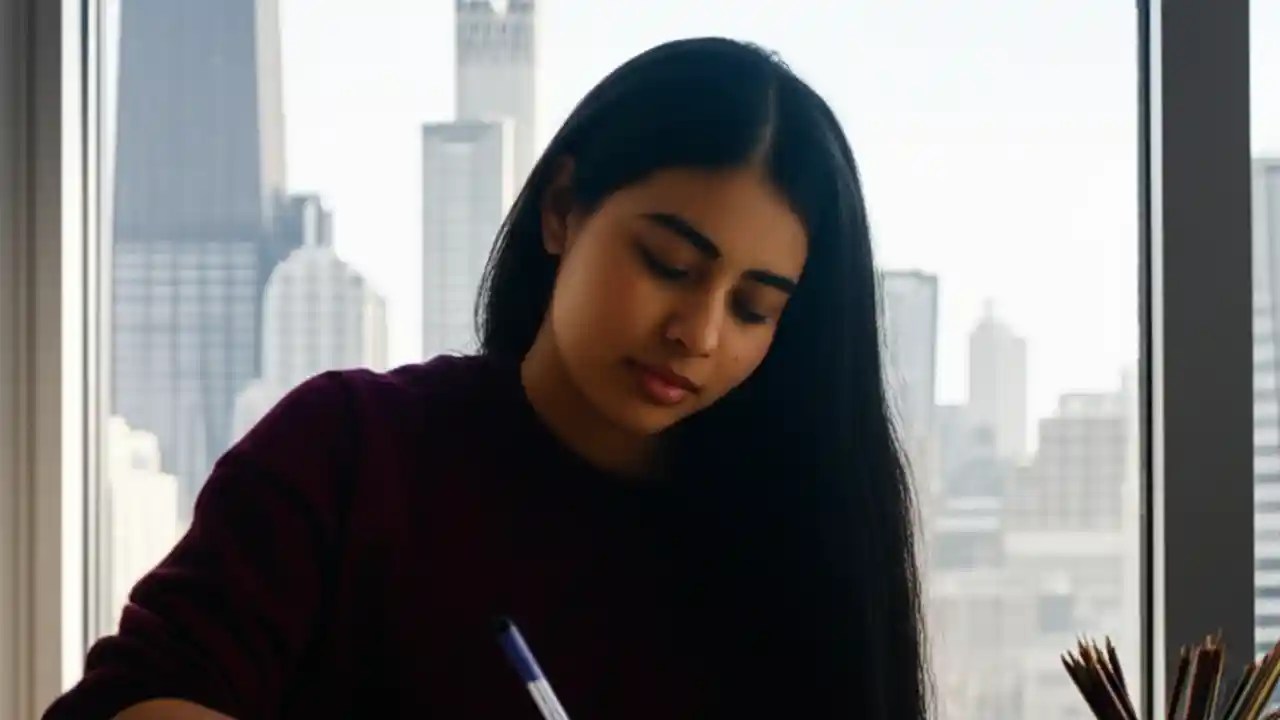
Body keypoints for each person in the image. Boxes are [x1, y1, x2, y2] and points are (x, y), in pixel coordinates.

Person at [44, 37, 930, 719]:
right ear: (562, 209)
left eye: (753, 309)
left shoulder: (796, 542)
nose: (697, 334)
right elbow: (143, 697)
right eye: (667, 264)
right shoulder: (353, 452)